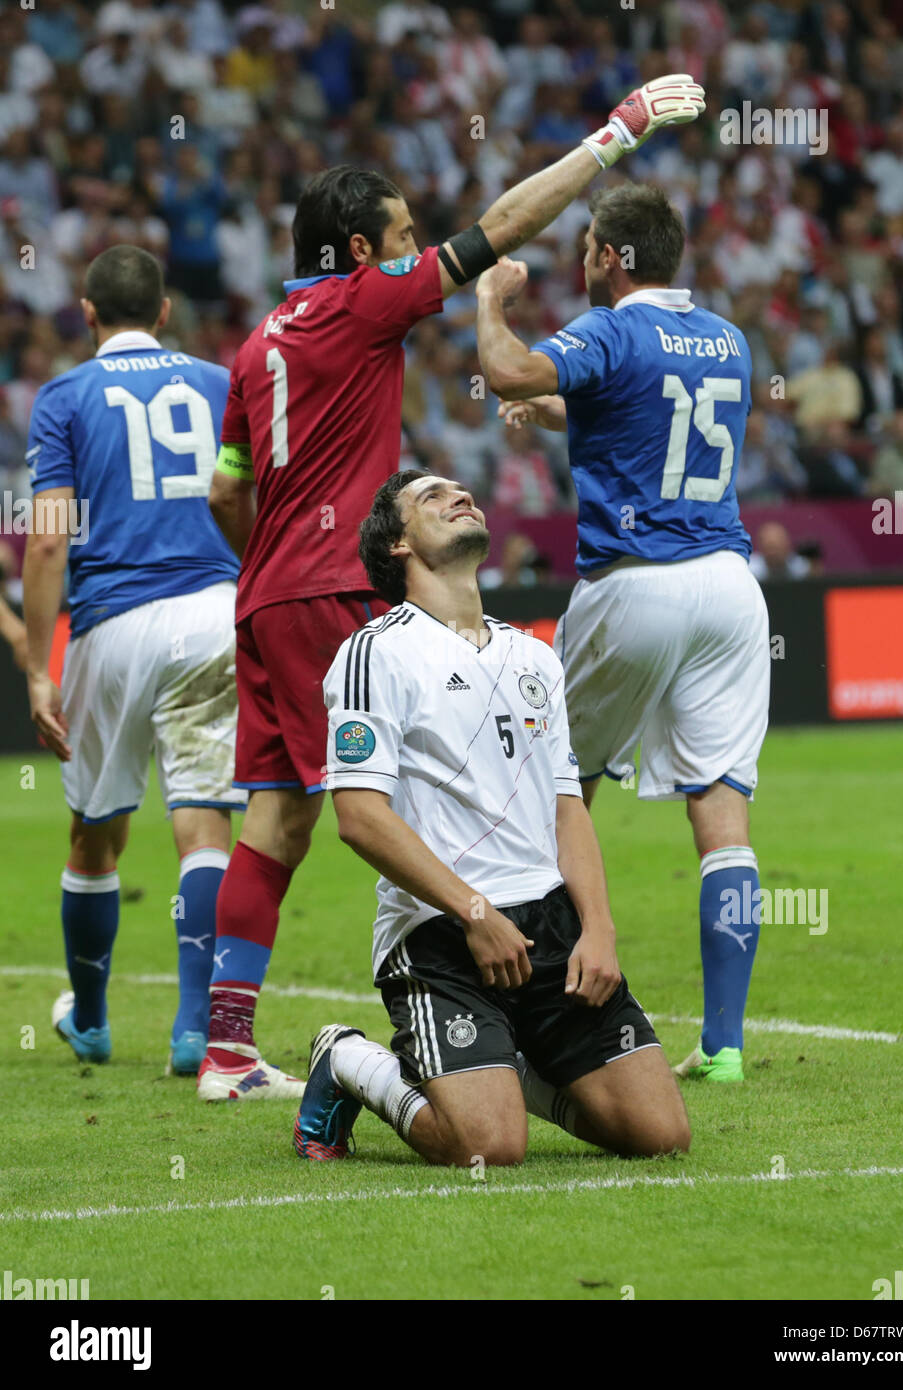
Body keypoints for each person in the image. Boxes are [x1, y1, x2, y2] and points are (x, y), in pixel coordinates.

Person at [203, 75, 705, 1100]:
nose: (409, 245)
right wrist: (615, 135)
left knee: (272, 820)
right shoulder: (364, 299)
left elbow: (226, 492)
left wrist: (273, 563)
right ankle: (489, 998)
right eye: (397, 234)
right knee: (413, 796)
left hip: (264, 597)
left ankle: (220, 1045)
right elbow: (501, 224)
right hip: (336, 591)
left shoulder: (255, 343)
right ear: (356, 251)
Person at [292, 471, 690, 1166]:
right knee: (488, 1149)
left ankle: (502, 1065)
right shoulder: (375, 652)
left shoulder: (534, 656)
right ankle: (347, 1059)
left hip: (551, 930)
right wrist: (474, 914)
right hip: (441, 935)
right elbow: (357, 816)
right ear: (396, 547)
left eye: (461, 490)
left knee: (659, 1136)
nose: (459, 495)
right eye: (430, 497)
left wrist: (598, 931)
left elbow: (567, 807)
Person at [476, 182, 769, 1084]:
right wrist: (557, 410)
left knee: (555, 784)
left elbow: (507, 369)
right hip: (729, 586)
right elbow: (640, 411)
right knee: (722, 816)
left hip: (635, 585)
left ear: (611, 257)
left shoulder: (611, 330)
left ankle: (536, 1016)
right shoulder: (725, 338)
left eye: (589, 246)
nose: (581, 258)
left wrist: (489, 301)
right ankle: (722, 1044)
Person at [23, 245, 247, 1076]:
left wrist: (40, 668)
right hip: (216, 613)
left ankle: (90, 1019)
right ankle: (195, 1030)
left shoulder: (66, 396)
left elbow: (46, 541)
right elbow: (250, 501)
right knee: (204, 822)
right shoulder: (223, 384)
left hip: (113, 624)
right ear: (163, 312)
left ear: (85, 313)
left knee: (94, 834)